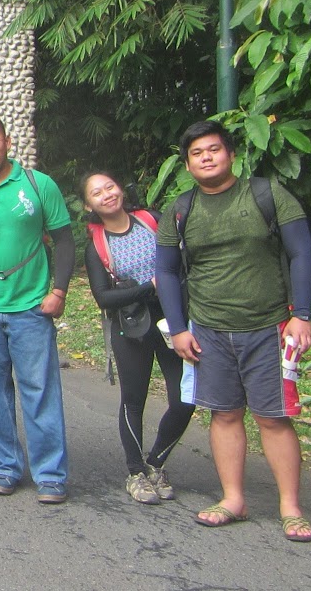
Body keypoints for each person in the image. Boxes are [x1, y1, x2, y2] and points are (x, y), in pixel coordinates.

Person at [154, 121, 311, 542]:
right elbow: (166, 271)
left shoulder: (267, 195)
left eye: (214, 149)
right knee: (224, 414)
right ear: (187, 164)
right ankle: (233, 499)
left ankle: (290, 507)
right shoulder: (180, 209)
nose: (206, 157)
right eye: (196, 153)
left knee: (273, 418)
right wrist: (178, 329)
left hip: (269, 327)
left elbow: (301, 252)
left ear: (230, 155)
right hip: (208, 329)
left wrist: (301, 314)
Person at [0, 115, 75, 504]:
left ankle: (51, 474)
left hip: (31, 308)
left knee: (40, 391)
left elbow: (64, 240)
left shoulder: (38, 185)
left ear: (7, 142)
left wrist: (59, 291)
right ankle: (5, 466)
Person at [82, 171, 194, 505]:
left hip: (174, 319)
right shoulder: (96, 246)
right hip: (131, 324)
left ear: (121, 189)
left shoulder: (152, 220)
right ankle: (136, 473)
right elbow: (103, 297)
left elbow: (183, 260)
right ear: (89, 205)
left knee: (185, 397)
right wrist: (150, 287)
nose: (107, 194)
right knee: (134, 400)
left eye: (110, 186)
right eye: (97, 193)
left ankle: (155, 462)